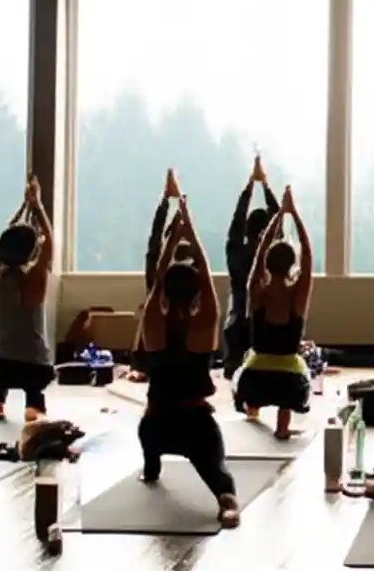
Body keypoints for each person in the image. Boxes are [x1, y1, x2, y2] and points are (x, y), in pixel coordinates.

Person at [139, 196, 240, 528]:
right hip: (196, 426)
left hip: (156, 425)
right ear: (196, 294)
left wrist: (172, 239)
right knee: (219, 477)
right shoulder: (203, 325)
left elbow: (157, 279)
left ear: (165, 292)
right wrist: (190, 229)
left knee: (148, 432)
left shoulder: (153, 322)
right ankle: (226, 503)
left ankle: (151, 468)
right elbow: (208, 278)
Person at [232, 187, 315, 439]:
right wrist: (294, 215)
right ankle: (281, 427)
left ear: (267, 263)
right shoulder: (296, 296)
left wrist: (278, 217)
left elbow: (258, 260)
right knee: (291, 372)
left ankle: (252, 410)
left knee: (250, 365)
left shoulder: (257, 292)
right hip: (288, 382)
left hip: (255, 379)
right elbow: (308, 255)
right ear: (292, 265)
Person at [0, 174, 55, 423]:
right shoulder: (35, 282)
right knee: (36, 385)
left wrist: (23, 207)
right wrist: (37, 205)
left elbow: (2, 246)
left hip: (0, 366)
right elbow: (49, 245)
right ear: (31, 251)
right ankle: (34, 406)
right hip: (35, 368)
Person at [128, 169, 190, 383]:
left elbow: (155, 241)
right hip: (166, 355)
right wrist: (181, 212)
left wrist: (168, 202)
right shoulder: (178, 281)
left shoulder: (163, 281)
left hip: (157, 353)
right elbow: (157, 242)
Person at [223, 155, 280, 381]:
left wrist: (250, 186)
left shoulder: (237, 252)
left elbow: (236, 224)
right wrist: (264, 185)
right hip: (265, 330)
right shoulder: (272, 255)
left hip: (237, 328)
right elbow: (277, 219)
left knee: (235, 370)